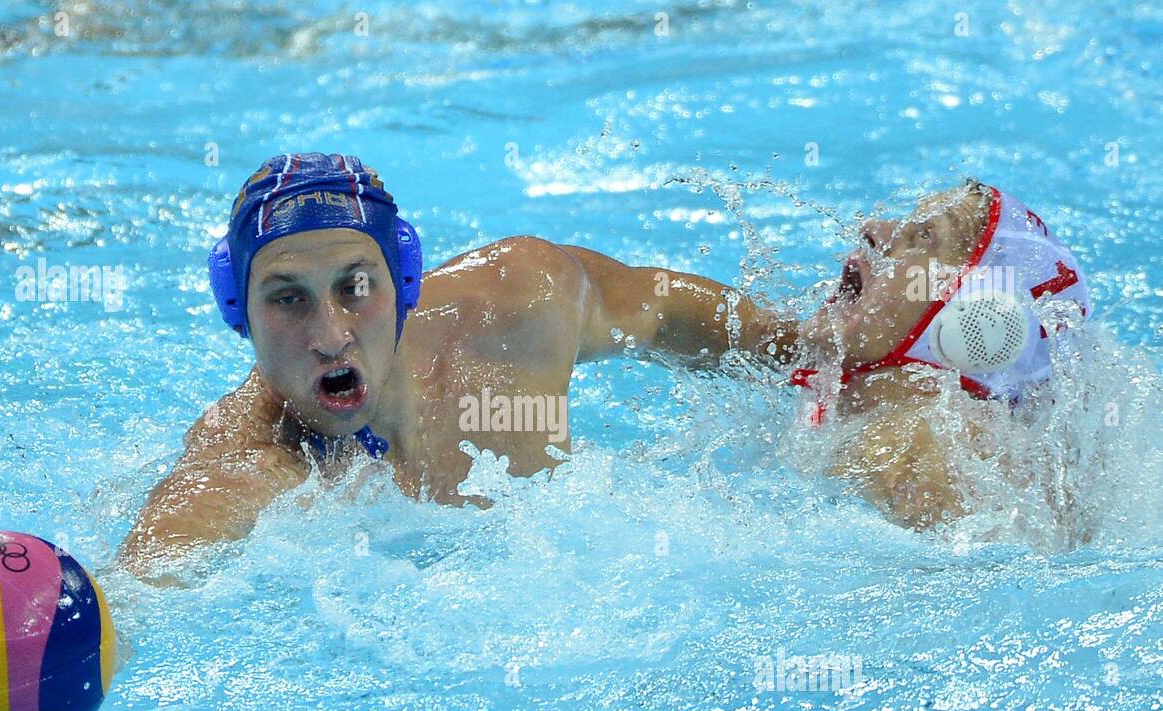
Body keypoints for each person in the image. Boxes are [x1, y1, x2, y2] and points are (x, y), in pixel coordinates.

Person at [118, 153, 797, 580]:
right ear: (239, 312)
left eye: (356, 287)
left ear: (404, 283)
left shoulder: (519, 303)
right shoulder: (249, 463)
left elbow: (668, 312)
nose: (330, 335)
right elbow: (143, 580)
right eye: (287, 299)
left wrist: (818, 360)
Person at [791, 179, 1093, 529]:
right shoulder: (871, 407)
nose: (873, 230)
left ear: (976, 325)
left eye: (925, 237)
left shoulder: (913, 458)